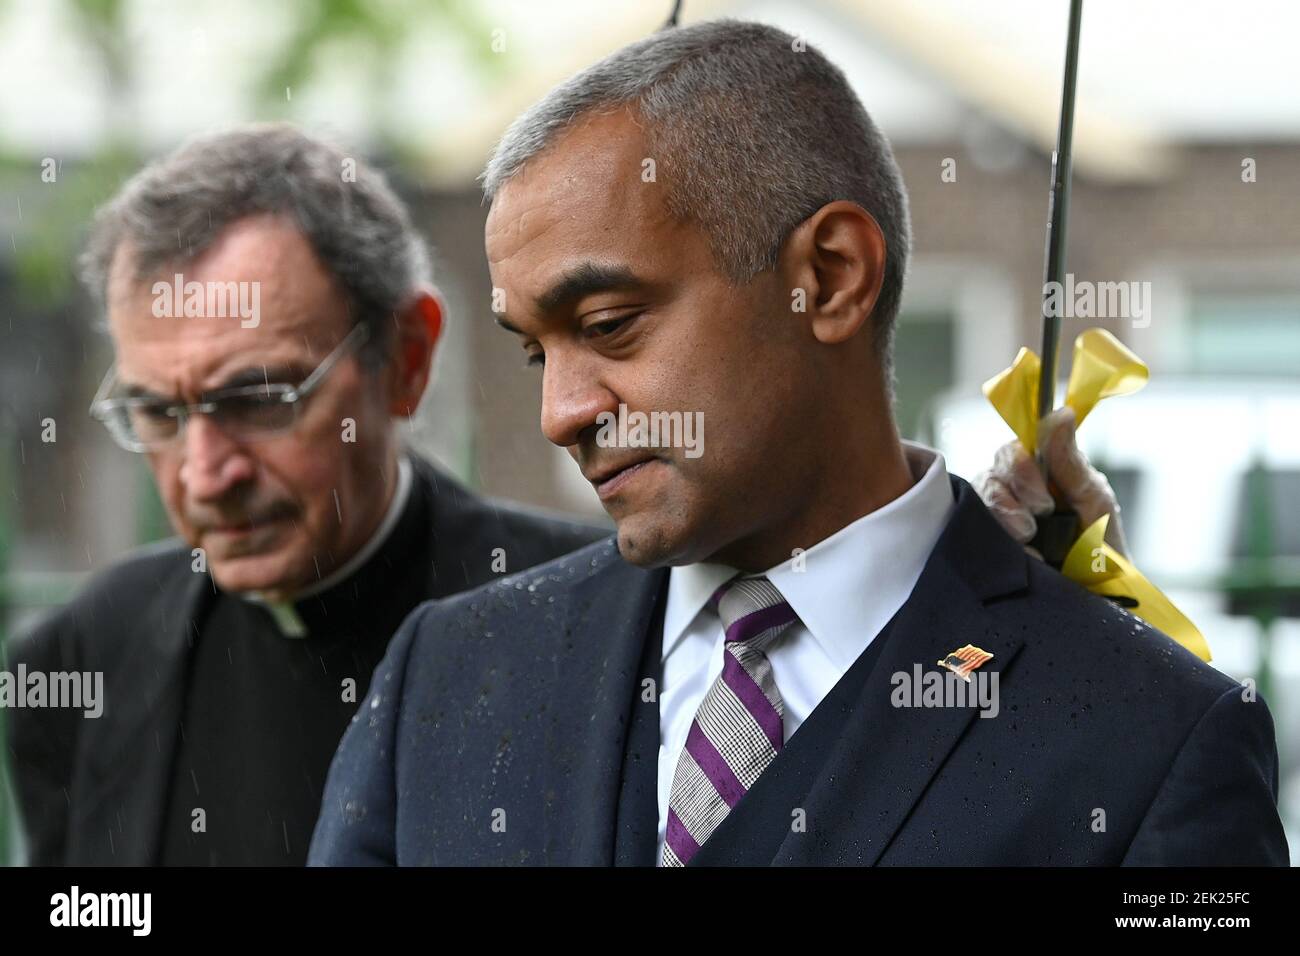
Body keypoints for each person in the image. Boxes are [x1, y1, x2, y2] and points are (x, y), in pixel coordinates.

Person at [309, 20, 1288, 866]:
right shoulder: (450, 672)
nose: (560, 411)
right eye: (534, 353)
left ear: (827, 277)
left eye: (609, 324)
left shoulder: (1150, 742)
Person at [5, 124, 605, 866]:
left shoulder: (606, 622)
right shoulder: (84, 654)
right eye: (158, 412)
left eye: (260, 397)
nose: (203, 474)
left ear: (407, 358)